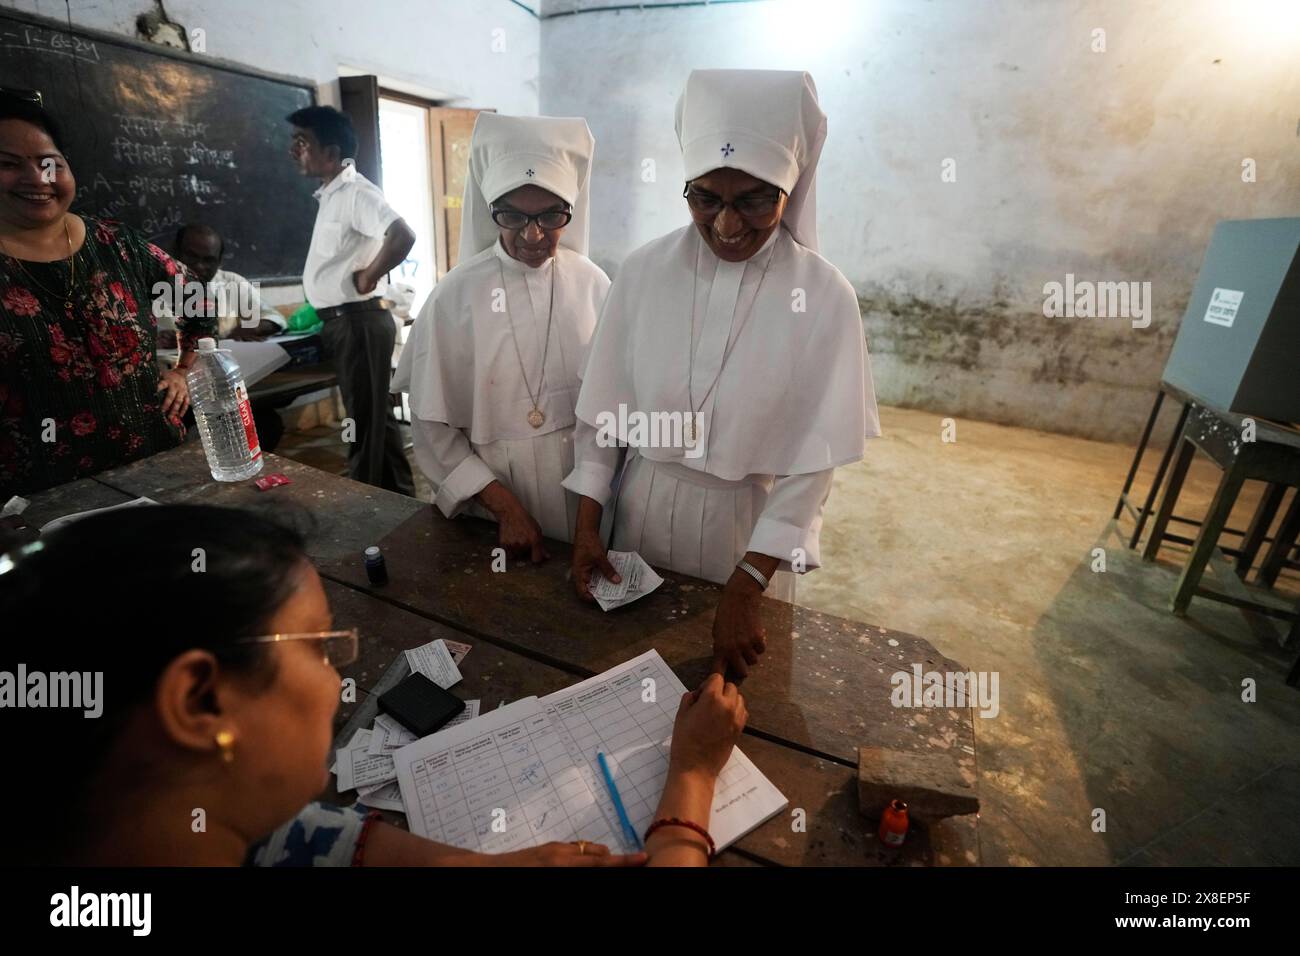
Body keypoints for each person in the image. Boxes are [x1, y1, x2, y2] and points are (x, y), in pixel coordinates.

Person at [0, 503, 745, 867]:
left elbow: (302, 843)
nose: (342, 680)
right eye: (320, 651)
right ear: (200, 701)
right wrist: (689, 787)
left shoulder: (153, 832)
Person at [564, 70, 880, 677]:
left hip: (748, 530)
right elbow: (603, 417)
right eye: (706, 198)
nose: (728, 226)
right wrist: (587, 526)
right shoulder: (643, 272)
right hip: (641, 511)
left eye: (755, 200)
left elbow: (813, 463)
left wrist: (749, 584)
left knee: (740, 700)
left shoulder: (824, 296)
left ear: (790, 189)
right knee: (625, 672)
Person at [392, 114, 610, 558]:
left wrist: (592, 515)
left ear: (571, 208)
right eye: (512, 215)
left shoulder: (593, 285)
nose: (532, 234)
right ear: (491, 210)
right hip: (491, 499)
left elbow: (611, 409)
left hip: (587, 494)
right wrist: (504, 508)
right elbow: (432, 425)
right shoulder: (455, 295)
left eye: (551, 215)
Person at [0, 93, 213, 499]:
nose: (38, 178)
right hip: (38, 498)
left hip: (155, 469)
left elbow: (197, 300)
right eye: (8, 164)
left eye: (51, 163)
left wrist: (185, 371)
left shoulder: (118, 245)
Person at [288, 106, 416, 496]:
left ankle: (363, 509)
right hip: (346, 322)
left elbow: (402, 234)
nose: (295, 151)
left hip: (358, 322)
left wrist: (371, 274)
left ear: (331, 151)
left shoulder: (356, 193)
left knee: (362, 422)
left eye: (303, 142)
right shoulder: (331, 196)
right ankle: (399, 500)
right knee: (376, 419)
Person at [173, 223, 286, 341]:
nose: (200, 266)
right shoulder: (155, 285)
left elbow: (274, 317)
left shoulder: (231, 283)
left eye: (209, 260)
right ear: (175, 253)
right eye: (192, 257)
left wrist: (254, 327)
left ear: (219, 263)